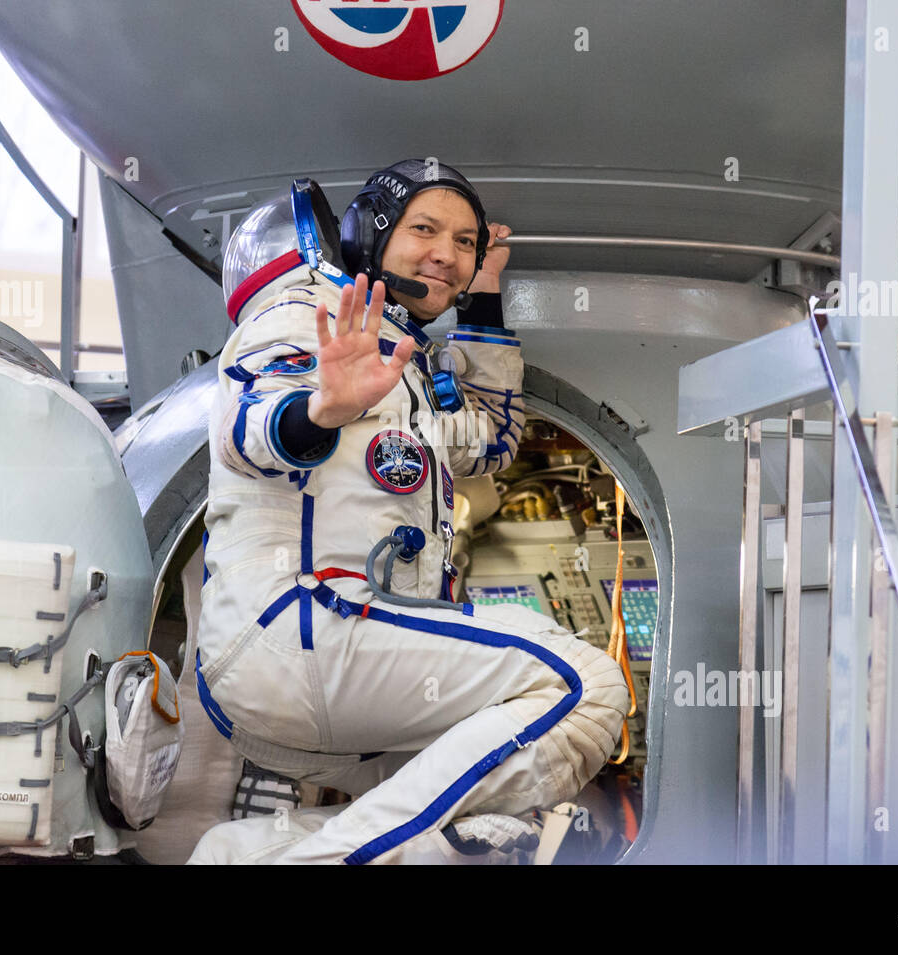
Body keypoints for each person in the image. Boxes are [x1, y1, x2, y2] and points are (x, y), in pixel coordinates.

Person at [190, 161, 629, 864]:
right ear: (370, 234)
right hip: (297, 626)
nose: (447, 256)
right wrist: (319, 410)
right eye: (425, 230)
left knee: (487, 806)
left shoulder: (402, 366)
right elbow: (245, 429)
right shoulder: (310, 310)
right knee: (583, 687)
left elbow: (488, 442)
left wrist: (482, 300)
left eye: (465, 242)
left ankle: (241, 853)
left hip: (331, 660)